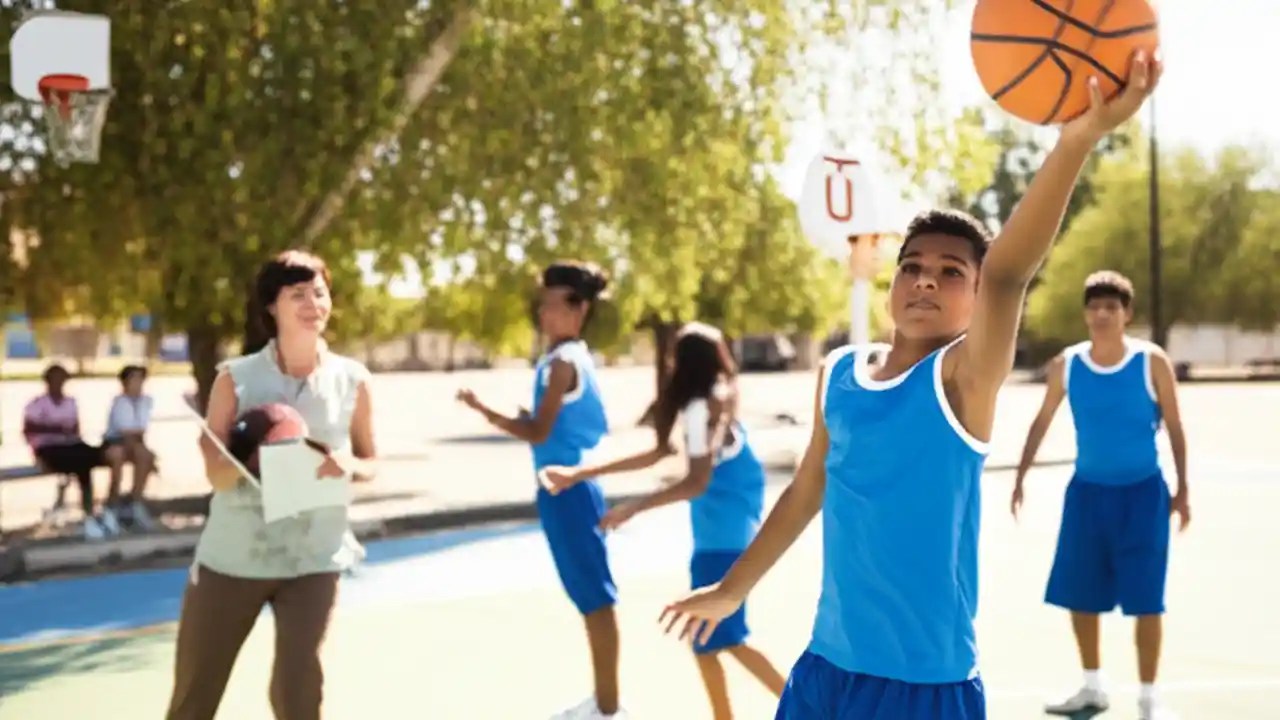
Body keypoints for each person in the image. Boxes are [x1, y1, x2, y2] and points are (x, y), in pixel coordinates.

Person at [657, 53, 1162, 720]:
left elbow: (1011, 269)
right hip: (825, 671)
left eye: (951, 272)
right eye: (912, 266)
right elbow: (808, 489)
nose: (925, 279)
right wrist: (731, 588)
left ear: (978, 296)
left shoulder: (962, 382)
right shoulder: (839, 374)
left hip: (925, 687)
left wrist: (1076, 140)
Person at [165, 249, 378, 720]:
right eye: (297, 294)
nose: (312, 303)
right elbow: (218, 478)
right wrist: (228, 457)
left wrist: (346, 463)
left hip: (314, 557)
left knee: (299, 691)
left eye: (319, 292)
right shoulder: (235, 380)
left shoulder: (354, 380)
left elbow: (371, 462)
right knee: (195, 695)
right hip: (235, 558)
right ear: (271, 307)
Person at [543, 322, 787, 720]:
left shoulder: (701, 410)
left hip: (721, 543)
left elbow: (696, 481)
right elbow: (657, 454)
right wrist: (578, 475)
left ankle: (808, 707)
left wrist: (632, 507)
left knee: (726, 638)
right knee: (706, 641)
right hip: (726, 537)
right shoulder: (718, 403)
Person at [1011, 270, 1189, 720]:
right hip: (1087, 496)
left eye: (1112, 307)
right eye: (1095, 306)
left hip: (1144, 496)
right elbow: (1042, 420)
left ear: (1126, 314)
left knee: (1147, 598)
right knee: (1080, 594)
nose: (1103, 314)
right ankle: (1093, 687)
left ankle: (1150, 698)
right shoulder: (1067, 365)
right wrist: (1020, 476)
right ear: (1086, 313)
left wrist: (1184, 488)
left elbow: (1175, 426)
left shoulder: (1151, 362)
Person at [456, 260, 625, 720]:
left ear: (579, 309)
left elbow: (538, 431)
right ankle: (605, 701)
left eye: (554, 306)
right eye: (543, 305)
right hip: (564, 490)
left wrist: (483, 409)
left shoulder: (563, 364)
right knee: (589, 596)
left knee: (596, 598)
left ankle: (610, 709)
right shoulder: (565, 359)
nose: (545, 315)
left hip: (569, 490)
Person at [22, 363, 111, 540]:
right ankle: (87, 507)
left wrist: (65, 431)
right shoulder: (36, 404)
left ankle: (91, 506)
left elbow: (75, 428)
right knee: (79, 460)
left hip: (69, 445)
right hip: (48, 447)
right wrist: (56, 430)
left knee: (90, 454)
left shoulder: (70, 403)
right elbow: (29, 430)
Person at [102, 364, 158, 530]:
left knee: (145, 456)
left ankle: (135, 501)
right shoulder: (120, 402)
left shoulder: (146, 401)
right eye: (134, 379)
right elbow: (125, 431)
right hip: (116, 441)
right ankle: (112, 504)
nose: (138, 383)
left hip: (136, 441)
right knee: (118, 457)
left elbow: (141, 428)